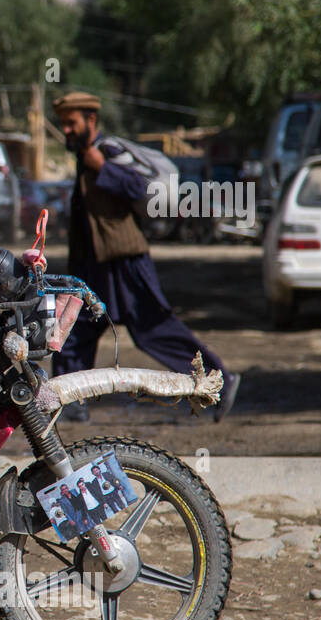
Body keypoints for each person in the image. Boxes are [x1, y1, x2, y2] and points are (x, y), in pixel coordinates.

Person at [50, 91, 240, 423]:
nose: (66, 130)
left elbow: (141, 191)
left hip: (125, 262)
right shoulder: (84, 156)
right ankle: (67, 400)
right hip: (92, 265)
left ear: (90, 120)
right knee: (76, 328)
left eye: (71, 123)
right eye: (63, 124)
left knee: (152, 327)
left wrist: (105, 169)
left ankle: (217, 379)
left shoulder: (107, 153)